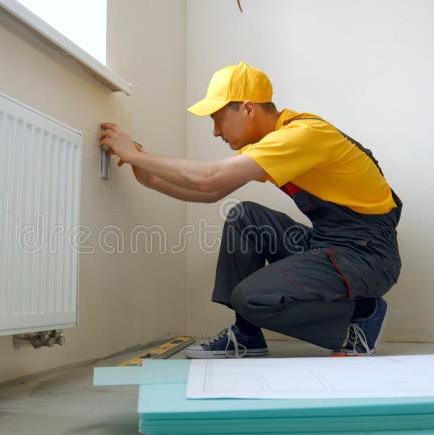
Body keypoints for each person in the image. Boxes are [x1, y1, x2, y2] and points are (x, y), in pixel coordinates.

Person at [99, 62, 401, 358]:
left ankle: (364, 313)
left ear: (247, 109)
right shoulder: (273, 142)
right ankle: (246, 336)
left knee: (250, 297)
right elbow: (212, 192)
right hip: (329, 242)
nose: (216, 132)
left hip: (366, 254)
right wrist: (150, 178)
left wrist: (137, 155)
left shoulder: (303, 135)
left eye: (218, 119)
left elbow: (209, 179)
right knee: (243, 216)